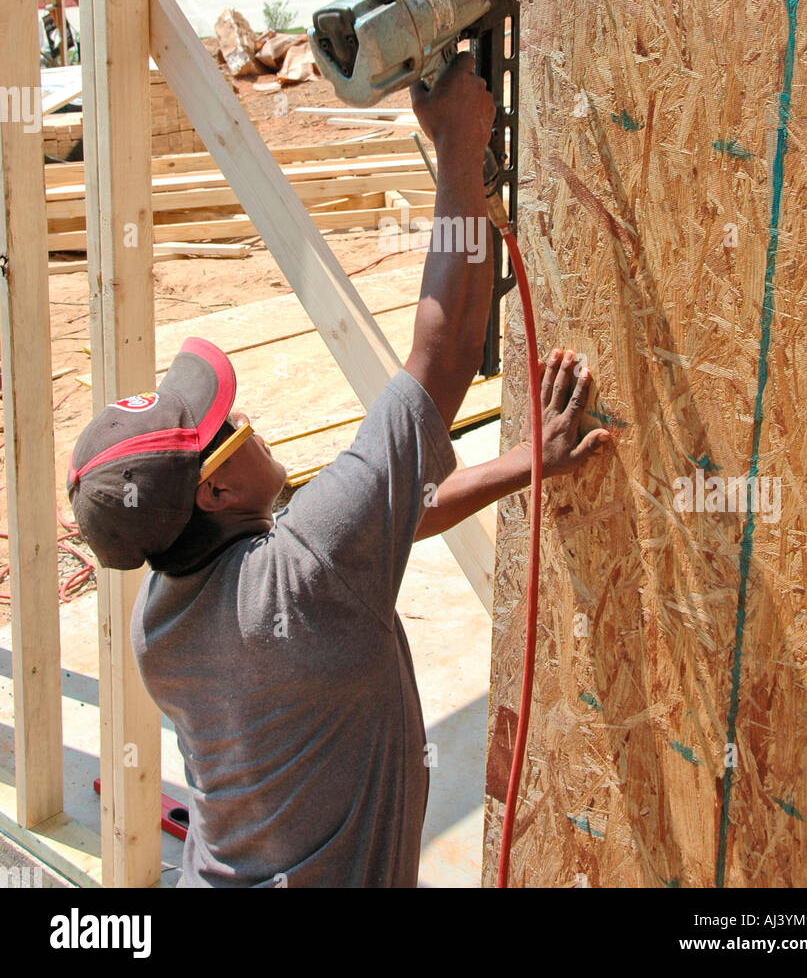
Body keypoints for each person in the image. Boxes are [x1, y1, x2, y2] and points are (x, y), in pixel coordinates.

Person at [66, 54, 611, 888]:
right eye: (227, 428)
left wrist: (525, 462)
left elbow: (387, 524)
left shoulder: (166, 617)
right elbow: (446, 356)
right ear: (214, 491)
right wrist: (460, 150)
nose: (248, 422)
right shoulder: (302, 581)